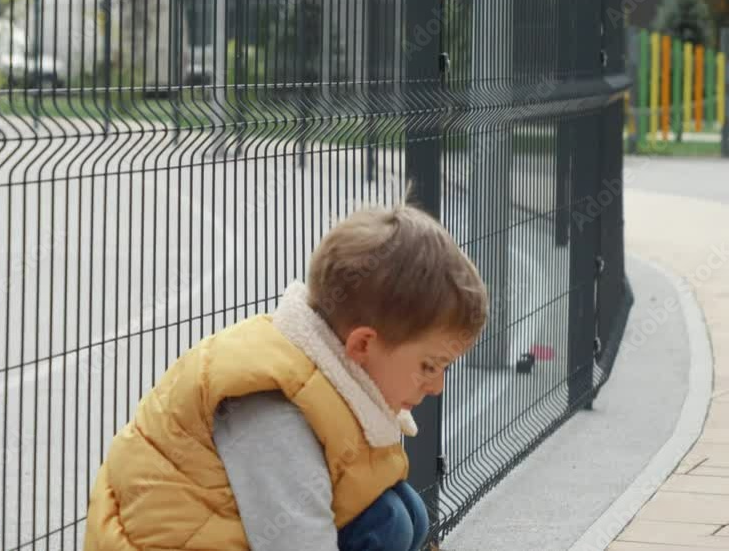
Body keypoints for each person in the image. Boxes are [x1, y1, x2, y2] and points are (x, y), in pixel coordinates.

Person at [84, 197, 489, 551]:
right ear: (363, 344)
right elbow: (296, 540)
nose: (436, 386)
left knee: (399, 513)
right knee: (388, 524)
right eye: (429, 366)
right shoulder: (273, 408)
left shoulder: (323, 368)